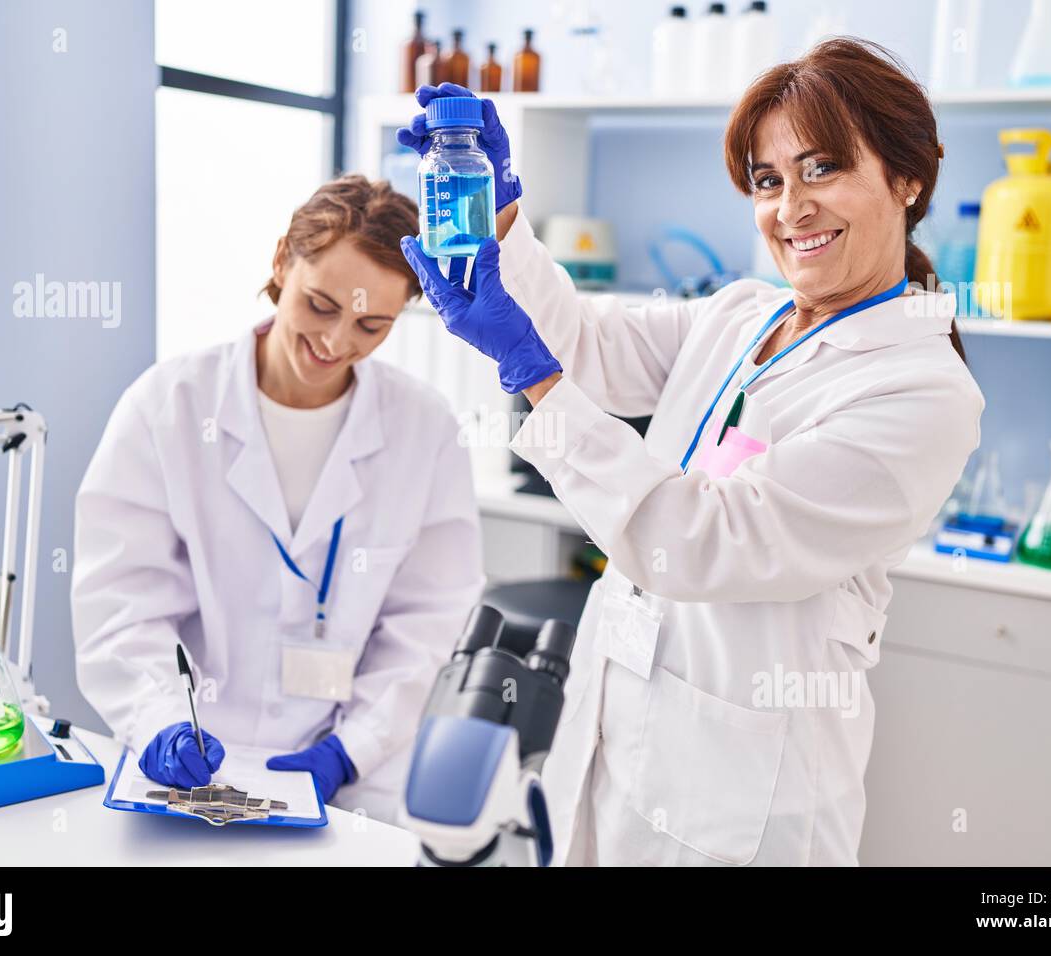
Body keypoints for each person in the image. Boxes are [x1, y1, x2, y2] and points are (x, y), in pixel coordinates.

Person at [397, 39, 984, 865]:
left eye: (823, 169)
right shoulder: (742, 314)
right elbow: (590, 350)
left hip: (747, 801)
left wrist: (532, 375)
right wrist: (495, 214)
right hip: (616, 741)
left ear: (908, 177)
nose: (792, 207)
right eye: (769, 181)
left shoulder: (920, 392)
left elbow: (704, 540)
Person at [72, 174, 484, 819]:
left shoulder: (424, 428)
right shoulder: (170, 406)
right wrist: (159, 723)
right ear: (281, 264)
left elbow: (431, 621)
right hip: (194, 758)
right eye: (320, 305)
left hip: (354, 771)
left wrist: (352, 749)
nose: (337, 342)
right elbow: (121, 604)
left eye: (371, 324)